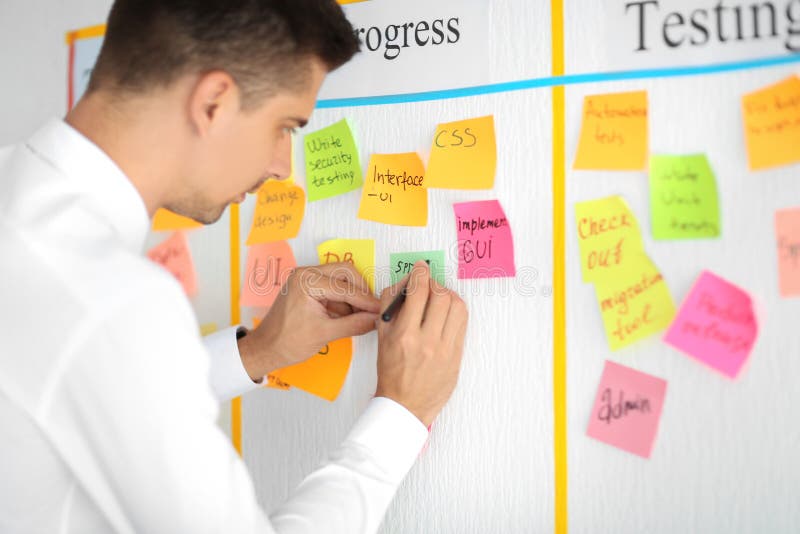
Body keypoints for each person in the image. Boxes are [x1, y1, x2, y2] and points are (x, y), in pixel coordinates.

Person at [0, 1, 468, 532]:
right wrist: (401, 413)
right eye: (285, 126)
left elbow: (80, 382)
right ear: (214, 102)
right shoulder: (114, 301)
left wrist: (260, 350)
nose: (281, 166)